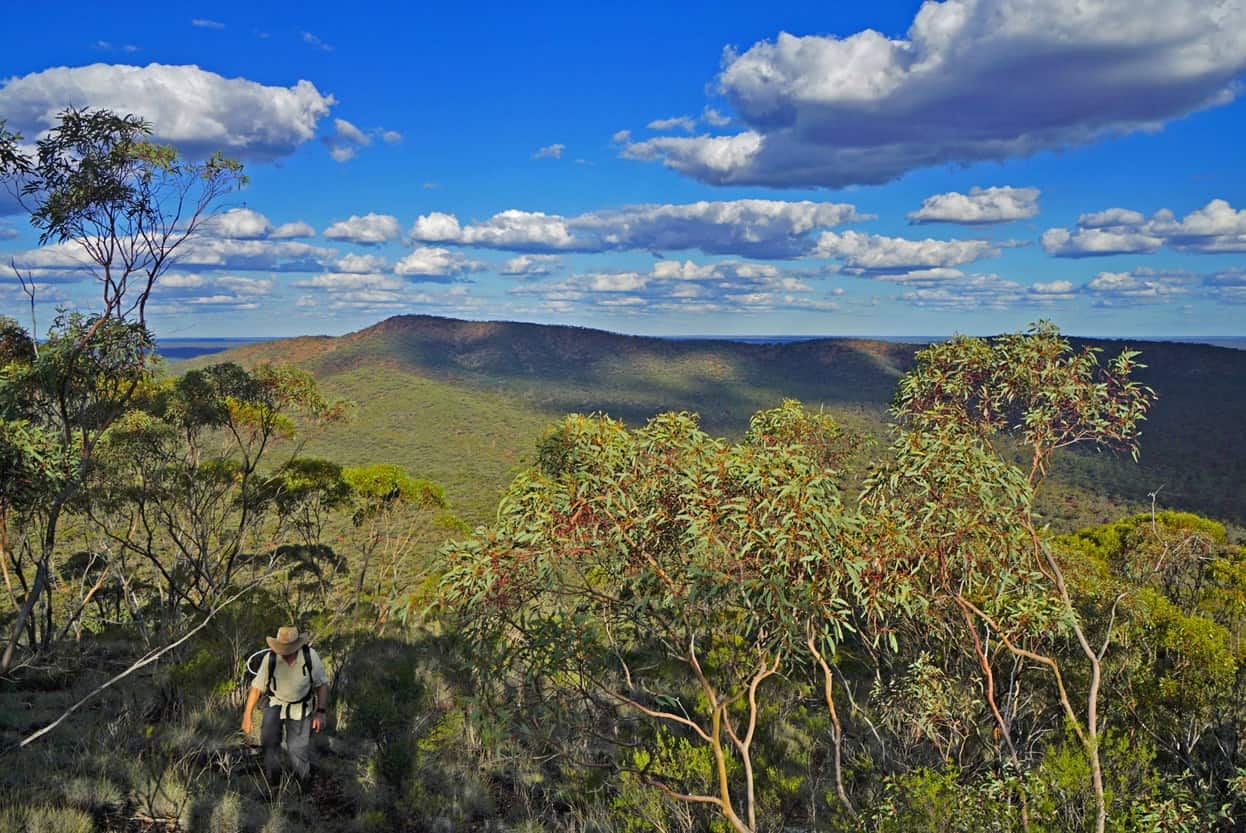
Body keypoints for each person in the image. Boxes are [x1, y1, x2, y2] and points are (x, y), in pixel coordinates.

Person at [241, 626, 329, 781]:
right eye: (282, 648)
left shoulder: (310, 656)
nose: (285, 652)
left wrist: (320, 712)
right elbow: (256, 688)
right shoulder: (270, 658)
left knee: (296, 749)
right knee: (269, 742)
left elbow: (321, 685)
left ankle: (303, 782)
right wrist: (247, 715)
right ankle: (274, 782)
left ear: (297, 647)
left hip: (301, 707)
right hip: (275, 703)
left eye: (289, 649)